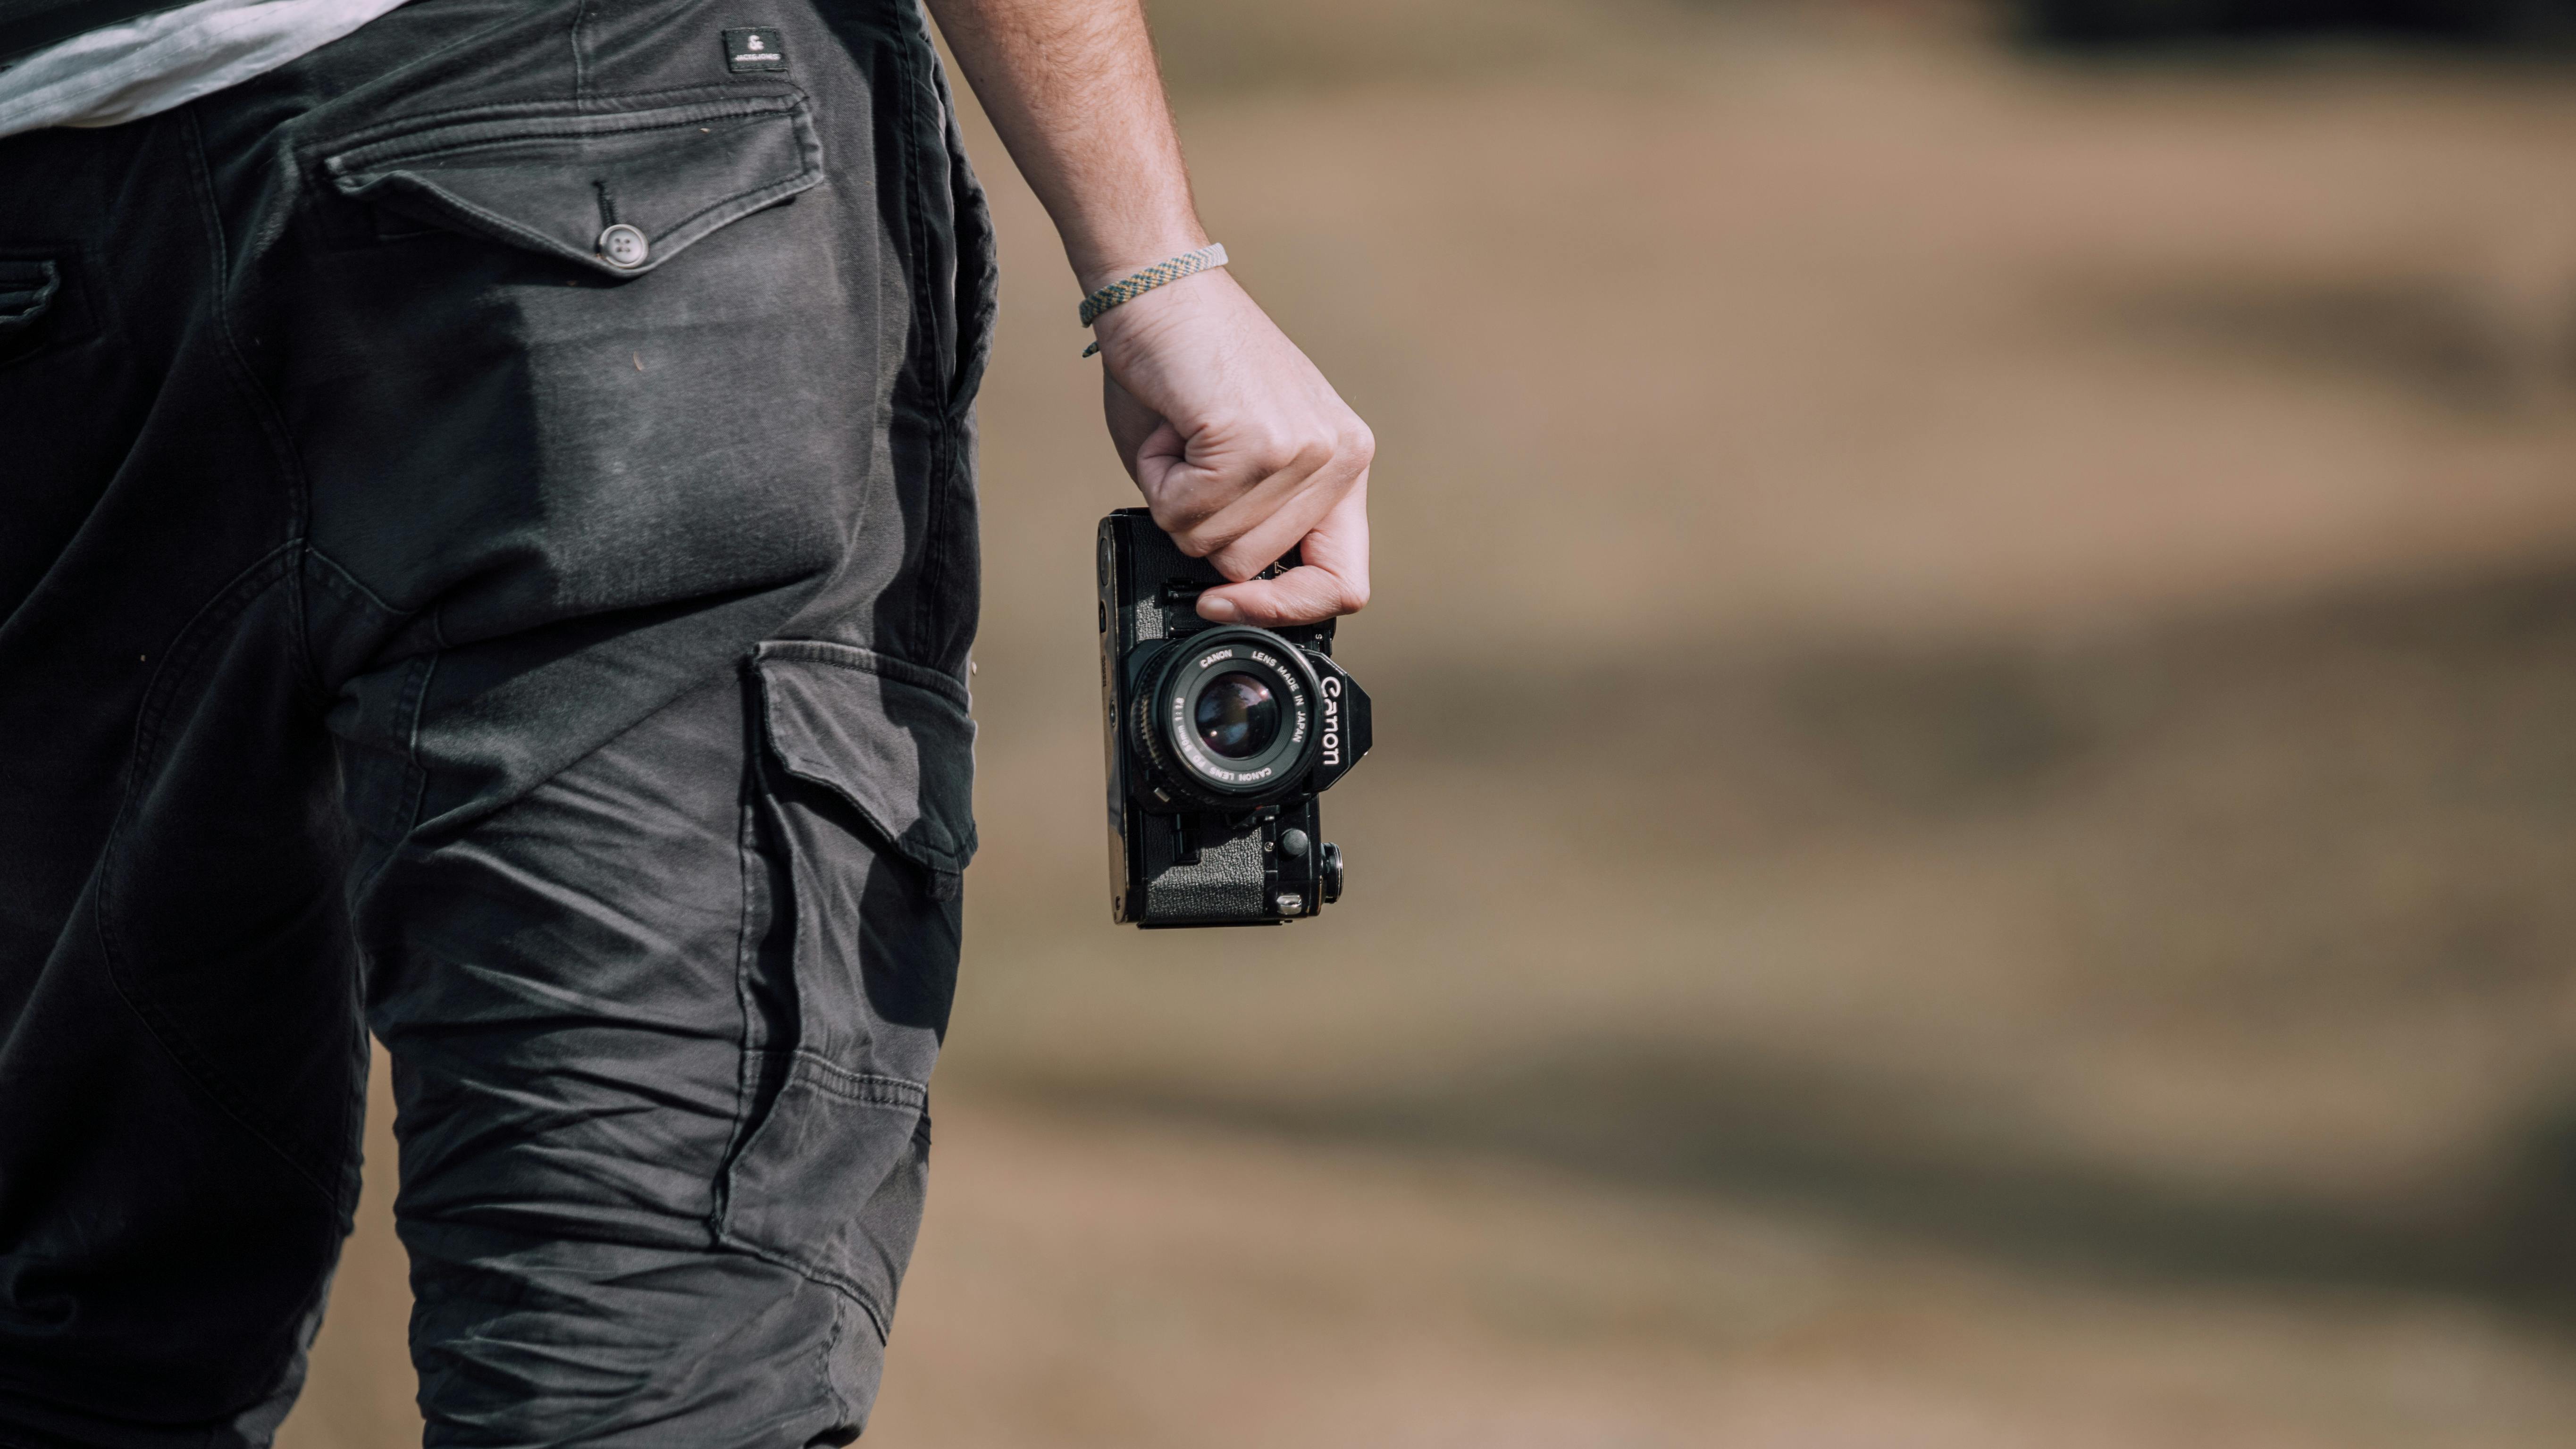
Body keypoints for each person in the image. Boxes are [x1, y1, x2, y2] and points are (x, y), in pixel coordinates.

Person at [0, 0, 1371, 1439]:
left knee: (72, 1328)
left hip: (45, 212)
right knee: (645, 1325)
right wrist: (1155, 265)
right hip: (594, 145)